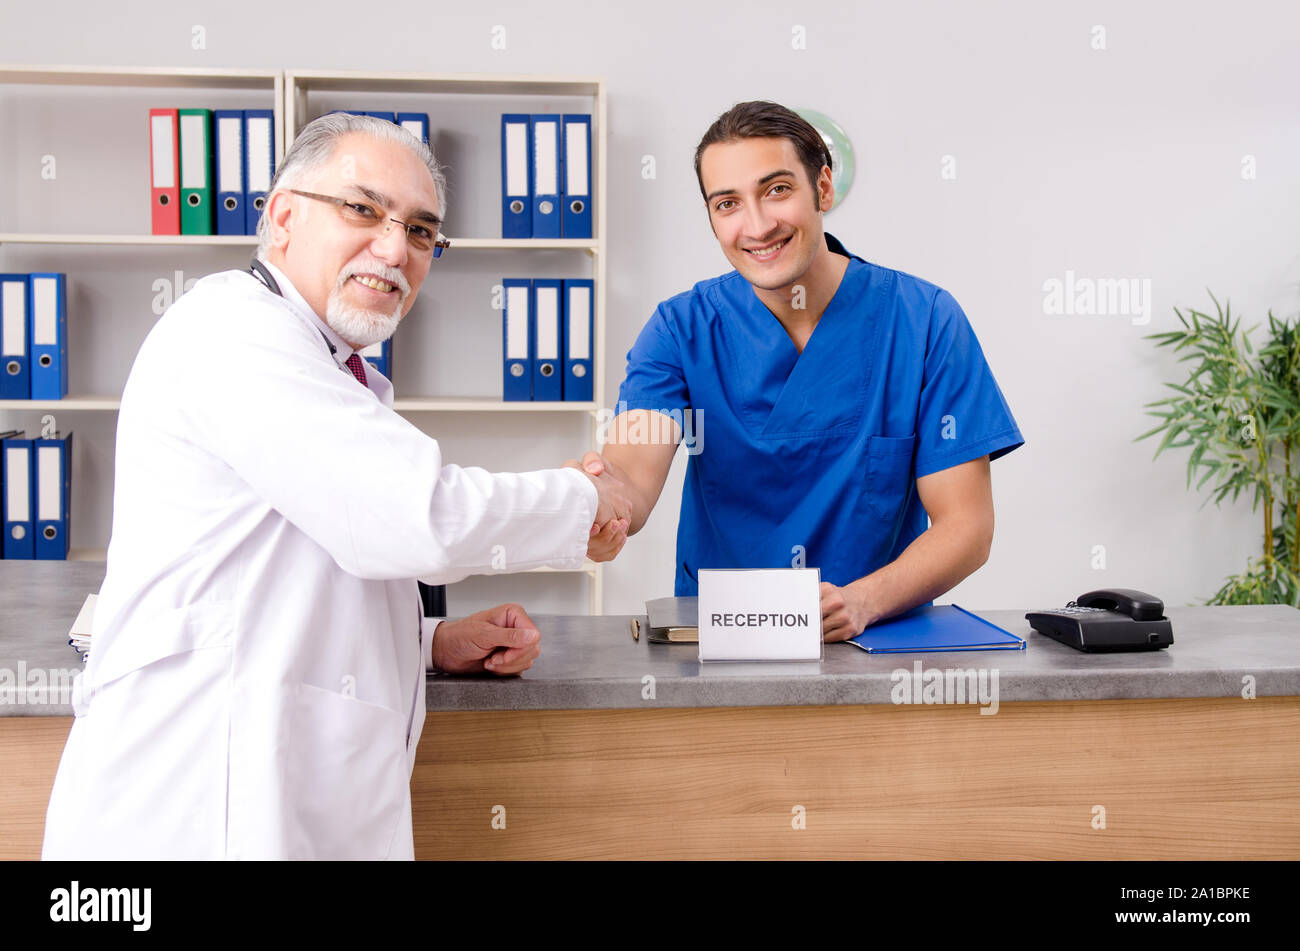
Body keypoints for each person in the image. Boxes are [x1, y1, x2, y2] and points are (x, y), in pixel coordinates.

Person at [41, 113, 630, 860]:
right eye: (362, 209)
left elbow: (284, 587)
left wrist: (429, 642)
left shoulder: (330, 369)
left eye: (422, 232)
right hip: (190, 816)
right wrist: (585, 500)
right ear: (282, 216)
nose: (395, 247)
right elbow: (416, 518)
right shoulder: (233, 331)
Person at [579, 101, 1023, 641]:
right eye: (727, 204)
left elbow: (967, 527)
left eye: (777, 190)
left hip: (877, 643)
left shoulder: (924, 319)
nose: (758, 225)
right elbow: (633, 469)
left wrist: (862, 602)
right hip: (721, 641)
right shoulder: (681, 329)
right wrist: (598, 502)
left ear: (824, 189)